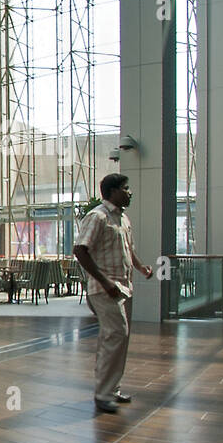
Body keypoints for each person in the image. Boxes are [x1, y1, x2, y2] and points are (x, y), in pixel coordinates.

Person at [72, 174, 154, 413]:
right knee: (116, 335)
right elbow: (80, 250)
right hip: (105, 289)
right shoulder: (97, 216)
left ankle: (111, 389)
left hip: (123, 287)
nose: (130, 193)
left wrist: (140, 267)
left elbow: (129, 249)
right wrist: (105, 281)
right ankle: (103, 394)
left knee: (118, 338)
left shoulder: (123, 218)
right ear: (113, 191)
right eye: (126, 189)